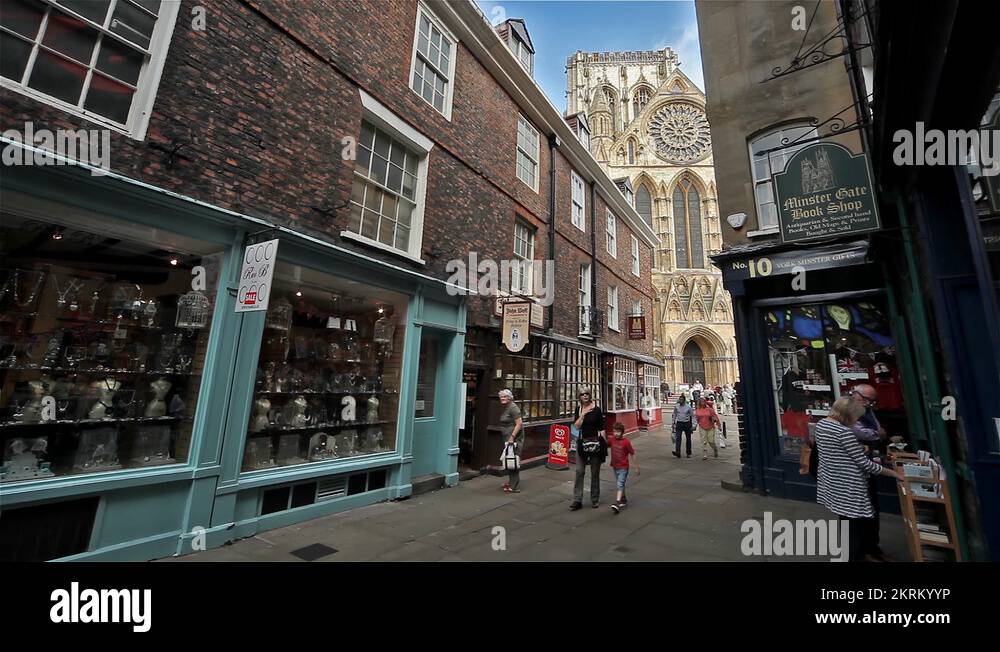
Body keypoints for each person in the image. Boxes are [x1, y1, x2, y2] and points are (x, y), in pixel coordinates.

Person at [815, 397, 902, 562]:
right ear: (848, 414)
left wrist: (857, 447)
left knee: (847, 523)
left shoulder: (821, 425)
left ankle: (853, 554)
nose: (856, 420)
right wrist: (895, 474)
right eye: (856, 416)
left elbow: (833, 448)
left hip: (833, 481)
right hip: (850, 485)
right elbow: (865, 464)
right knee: (857, 527)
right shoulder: (844, 432)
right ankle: (855, 557)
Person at [849, 384, 889, 560]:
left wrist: (876, 434)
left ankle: (871, 547)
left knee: (872, 507)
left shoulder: (867, 411)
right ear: (855, 395)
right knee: (852, 513)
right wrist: (876, 434)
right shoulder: (847, 409)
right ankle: (855, 553)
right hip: (849, 470)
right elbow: (862, 432)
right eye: (866, 399)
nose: (869, 404)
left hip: (867, 464)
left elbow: (877, 430)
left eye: (872, 401)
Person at [570, 387, 606, 510]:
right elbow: (576, 426)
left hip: (595, 443)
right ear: (579, 397)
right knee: (579, 471)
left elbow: (602, 428)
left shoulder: (597, 410)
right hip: (582, 443)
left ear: (590, 395)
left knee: (595, 473)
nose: (584, 396)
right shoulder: (578, 409)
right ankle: (577, 500)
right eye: (582, 394)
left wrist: (605, 445)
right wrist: (583, 414)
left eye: (586, 394)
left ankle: (594, 499)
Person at [608, 423, 638, 514]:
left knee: (620, 484)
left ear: (622, 432)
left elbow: (632, 453)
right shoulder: (612, 440)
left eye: (618, 432)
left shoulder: (626, 442)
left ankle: (617, 503)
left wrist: (636, 467)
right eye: (614, 432)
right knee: (620, 484)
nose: (616, 433)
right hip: (615, 466)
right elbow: (605, 444)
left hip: (623, 467)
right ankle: (623, 499)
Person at [497, 389, 523, 493]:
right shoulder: (507, 406)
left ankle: (514, 486)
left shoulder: (513, 407)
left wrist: (512, 437)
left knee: (512, 459)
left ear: (510, 397)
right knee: (509, 459)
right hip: (508, 437)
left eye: (505, 397)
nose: (502, 398)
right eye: (501, 397)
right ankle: (511, 481)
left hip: (513, 438)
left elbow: (519, 423)